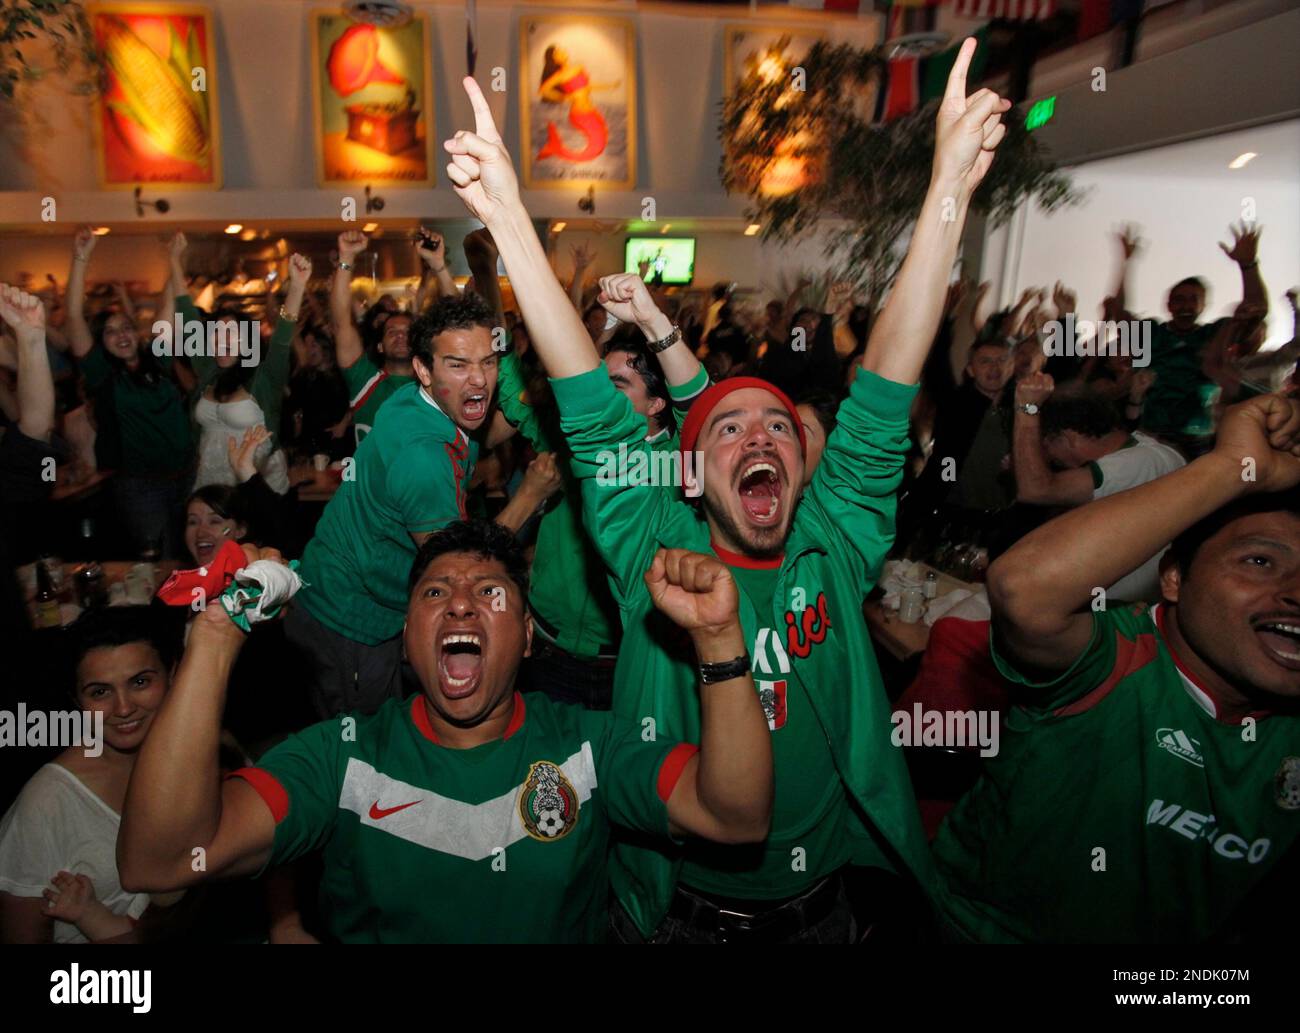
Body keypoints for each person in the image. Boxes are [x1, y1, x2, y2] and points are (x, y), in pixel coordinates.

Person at [438, 39, 1010, 940]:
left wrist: (949, 193)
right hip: (680, 911)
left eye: (779, 426)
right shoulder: (652, 546)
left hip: (827, 914)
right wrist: (510, 219)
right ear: (689, 472)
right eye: (730, 428)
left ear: (803, 463)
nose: (759, 437)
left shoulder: (837, 536)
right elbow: (588, 405)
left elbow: (886, 388)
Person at [117, 523, 774, 943]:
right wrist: (214, 636)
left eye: (490, 592)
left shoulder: (587, 748)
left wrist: (718, 636)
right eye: (435, 593)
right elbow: (162, 857)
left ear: (524, 640)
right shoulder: (343, 755)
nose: (461, 602)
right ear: (405, 641)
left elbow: (737, 815)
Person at [934, 392, 1300, 943]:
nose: (1293, 592)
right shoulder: (1119, 656)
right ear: (1173, 578)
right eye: (1259, 562)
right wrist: (1233, 469)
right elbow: (1023, 588)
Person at [286, 293, 554, 718]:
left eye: (488, 362)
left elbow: (476, 437)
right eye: (458, 365)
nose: (480, 380)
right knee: (358, 752)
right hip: (349, 620)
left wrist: (531, 416)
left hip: (336, 595)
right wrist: (530, 494)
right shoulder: (423, 459)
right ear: (424, 370)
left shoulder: (417, 401)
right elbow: (457, 568)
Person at [0, 608, 182, 943]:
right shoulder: (46, 804)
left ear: (171, 674)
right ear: (77, 701)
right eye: (100, 692)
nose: (124, 708)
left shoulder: (193, 760)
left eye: (140, 682)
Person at [64, 228, 195, 558]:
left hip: (187, 478)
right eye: (109, 332)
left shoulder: (158, 360)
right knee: (159, 563)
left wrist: (174, 258)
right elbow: (72, 317)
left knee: (189, 559)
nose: (120, 335)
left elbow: (170, 308)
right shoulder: (102, 374)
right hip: (141, 487)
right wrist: (81, 257)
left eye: (125, 327)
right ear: (101, 341)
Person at [1012, 374, 1186, 602]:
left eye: (1048, 447)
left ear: (1067, 437)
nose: (1051, 459)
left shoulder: (1122, 468)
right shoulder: (1154, 451)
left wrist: (1027, 408)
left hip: (1113, 613)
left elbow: (1035, 490)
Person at [170, 234, 305, 495]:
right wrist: (174, 260)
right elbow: (187, 317)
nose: (222, 339)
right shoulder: (209, 371)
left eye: (231, 332)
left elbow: (281, 339)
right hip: (212, 489)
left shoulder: (264, 377)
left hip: (258, 489)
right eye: (217, 333)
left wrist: (297, 286)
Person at [1121, 224, 1269, 453]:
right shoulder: (1151, 331)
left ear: (1203, 305)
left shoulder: (1213, 334)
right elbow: (1119, 314)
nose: (1186, 305)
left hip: (1199, 441)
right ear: (1168, 305)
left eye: (1193, 299)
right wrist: (1126, 262)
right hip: (1150, 435)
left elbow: (1255, 311)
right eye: (1179, 299)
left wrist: (1248, 266)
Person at [332, 231, 416, 445]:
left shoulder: (433, 386)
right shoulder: (365, 380)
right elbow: (342, 322)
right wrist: (347, 258)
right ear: (379, 346)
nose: (400, 336)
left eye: (407, 332)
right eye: (391, 332)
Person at [535, 44, 620, 164]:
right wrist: (564, 97)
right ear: (554, 59)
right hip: (579, 114)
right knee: (596, 148)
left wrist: (609, 86)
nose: (562, 51)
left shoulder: (578, 67)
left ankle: (554, 148)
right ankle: (554, 148)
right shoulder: (559, 76)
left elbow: (587, 87)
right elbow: (543, 90)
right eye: (558, 52)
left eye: (561, 49)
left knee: (600, 144)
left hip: (591, 111)